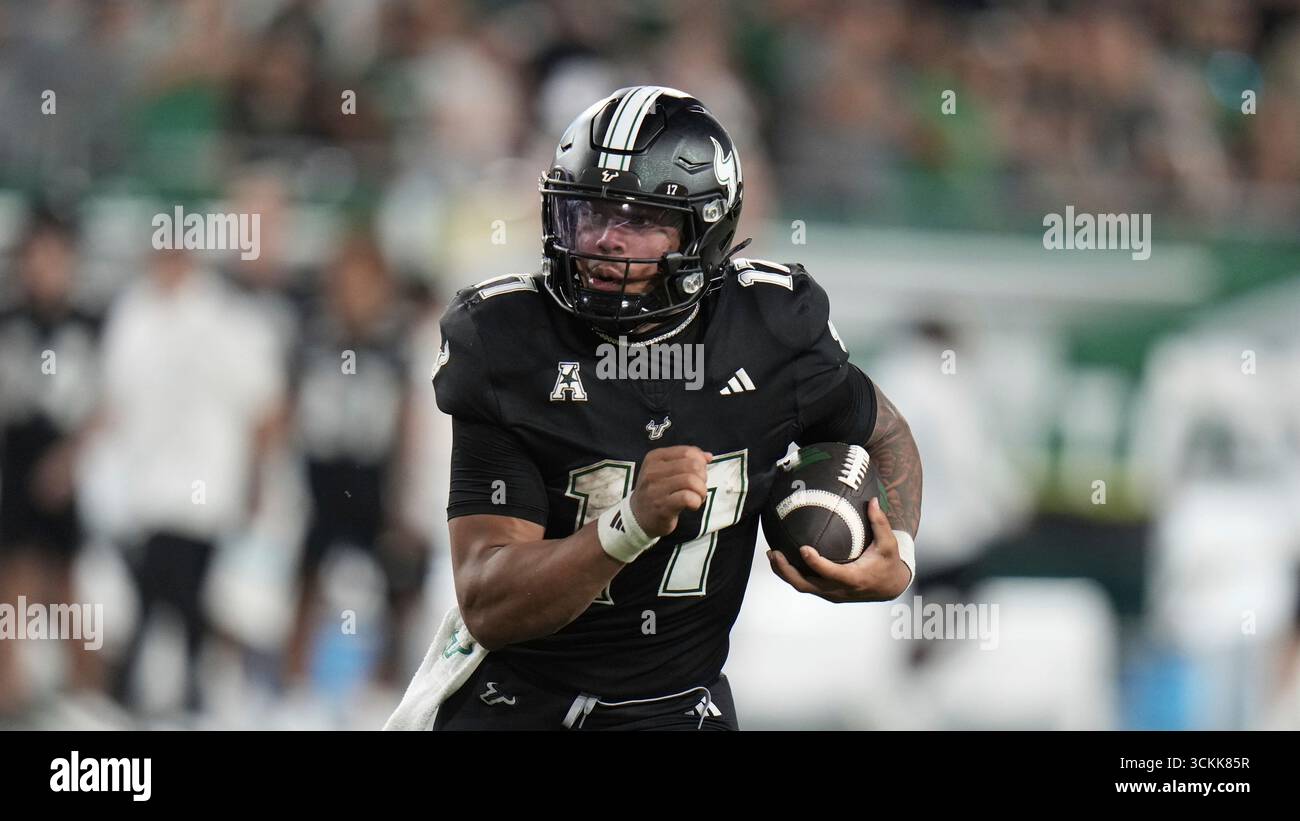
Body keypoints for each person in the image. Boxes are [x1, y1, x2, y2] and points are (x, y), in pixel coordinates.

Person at [417, 87, 922, 730]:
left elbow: (886, 431)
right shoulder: (507, 341)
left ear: (704, 230)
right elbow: (489, 602)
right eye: (587, 212)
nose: (604, 241)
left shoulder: (771, 329)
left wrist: (897, 553)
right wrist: (629, 524)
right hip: (518, 700)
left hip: (681, 707)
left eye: (638, 220)